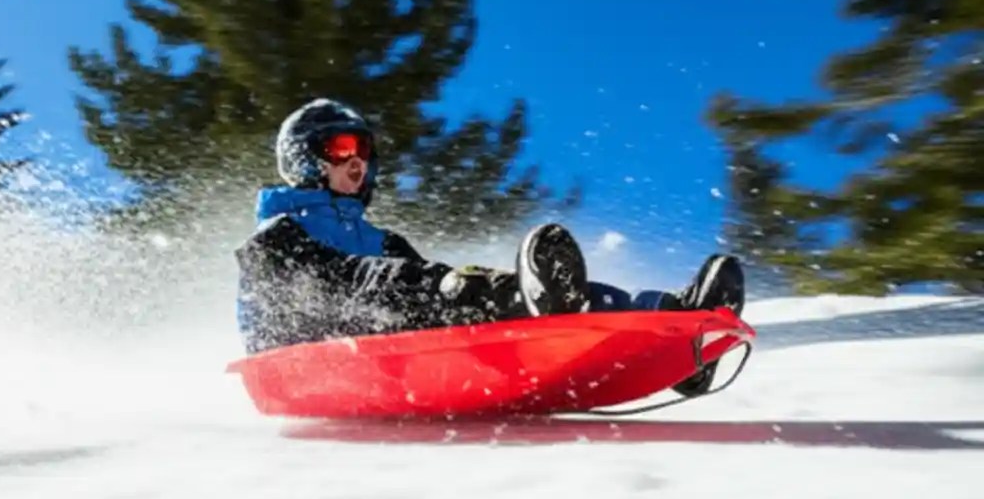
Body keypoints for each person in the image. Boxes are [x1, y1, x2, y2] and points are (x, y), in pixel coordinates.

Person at [234, 98, 745, 358]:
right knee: (443, 288)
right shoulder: (274, 238)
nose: (358, 160)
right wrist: (446, 287)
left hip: (388, 338)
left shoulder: (384, 240)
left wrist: (459, 287)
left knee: (486, 290)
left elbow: (418, 285)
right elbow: (337, 282)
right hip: (306, 352)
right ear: (303, 158)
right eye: (342, 147)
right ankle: (527, 300)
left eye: (364, 149)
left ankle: (670, 324)